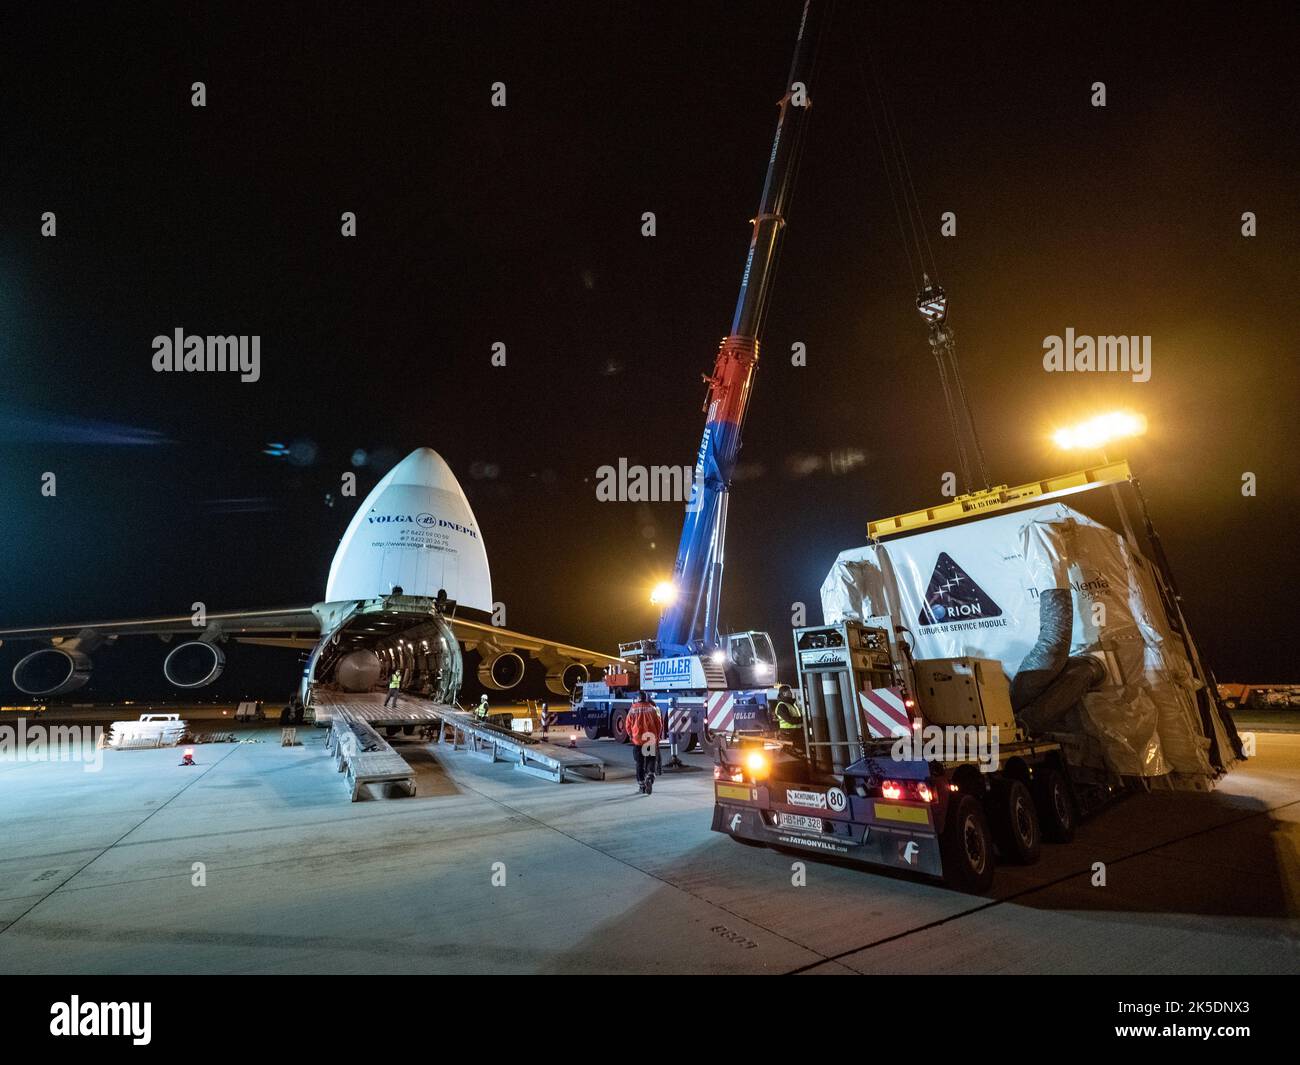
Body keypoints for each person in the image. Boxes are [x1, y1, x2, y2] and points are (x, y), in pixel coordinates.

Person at [625, 691, 663, 794]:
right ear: (646, 698)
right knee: (651, 759)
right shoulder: (652, 708)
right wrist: (658, 737)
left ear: (638, 698)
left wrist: (631, 735)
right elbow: (659, 724)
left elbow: (627, 724)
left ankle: (641, 785)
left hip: (638, 740)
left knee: (639, 763)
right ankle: (650, 777)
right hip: (650, 738)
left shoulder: (633, 709)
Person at [773, 684, 804, 755]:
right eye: (789, 691)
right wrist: (803, 719)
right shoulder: (781, 706)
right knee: (791, 754)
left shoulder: (791, 704)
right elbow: (790, 720)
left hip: (796, 732)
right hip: (788, 734)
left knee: (799, 753)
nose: (791, 693)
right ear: (784, 693)